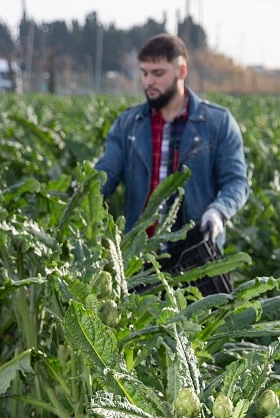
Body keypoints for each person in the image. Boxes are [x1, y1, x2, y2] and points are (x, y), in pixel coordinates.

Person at [94, 33, 249, 268]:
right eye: (144, 73)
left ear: (181, 72)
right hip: (140, 258)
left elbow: (237, 183)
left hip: (197, 254)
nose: (148, 82)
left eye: (158, 73)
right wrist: (86, 188)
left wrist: (218, 211)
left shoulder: (218, 123)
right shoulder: (127, 124)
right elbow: (107, 171)